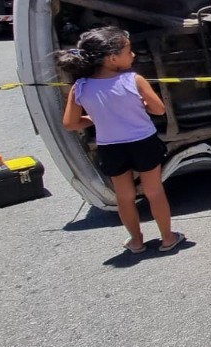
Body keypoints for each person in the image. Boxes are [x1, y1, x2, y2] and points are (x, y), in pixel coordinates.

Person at [57, 27, 183, 254]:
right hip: (142, 142)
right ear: (112, 58)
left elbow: (70, 123)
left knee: (124, 197)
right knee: (154, 191)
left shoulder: (80, 86)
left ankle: (136, 241)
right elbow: (159, 109)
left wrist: (96, 119)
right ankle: (167, 238)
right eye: (129, 51)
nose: (133, 55)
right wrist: (137, 108)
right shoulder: (133, 80)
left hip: (111, 147)